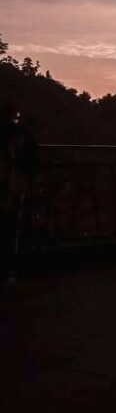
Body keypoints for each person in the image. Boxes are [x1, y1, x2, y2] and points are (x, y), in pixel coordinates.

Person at [1, 104, 36, 286]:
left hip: (11, 184)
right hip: (14, 185)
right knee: (12, 227)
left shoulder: (15, 135)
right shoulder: (22, 135)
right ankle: (10, 269)